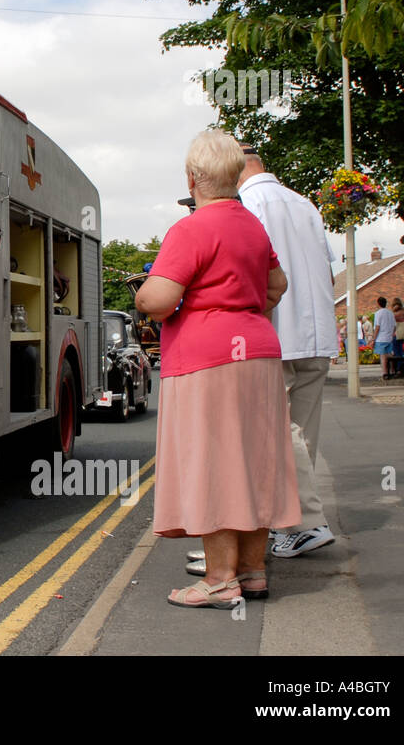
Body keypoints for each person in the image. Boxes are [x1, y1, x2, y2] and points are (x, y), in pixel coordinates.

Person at [135, 130, 299, 609]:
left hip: (206, 358)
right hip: (259, 353)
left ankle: (219, 580)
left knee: (213, 463)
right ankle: (252, 572)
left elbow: (160, 300)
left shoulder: (189, 229)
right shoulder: (252, 226)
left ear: (192, 178)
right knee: (253, 461)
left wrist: (145, 294)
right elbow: (277, 286)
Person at [236, 145, 337, 559]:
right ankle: (289, 528)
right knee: (303, 432)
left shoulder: (247, 204)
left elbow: (247, 269)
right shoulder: (304, 203)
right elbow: (328, 266)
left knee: (276, 432)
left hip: (277, 333)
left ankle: (305, 522)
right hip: (318, 333)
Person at [372, 296, 395, 377]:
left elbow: (377, 327)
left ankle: (385, 372)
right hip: (389, 337)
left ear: (378, 303)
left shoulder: (378, 313)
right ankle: (392, 370)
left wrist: (373, 339)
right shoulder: (391, 313)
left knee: (383, 356)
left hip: (381, 338)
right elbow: (394, 326)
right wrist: (392, 334)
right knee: (390, 355)